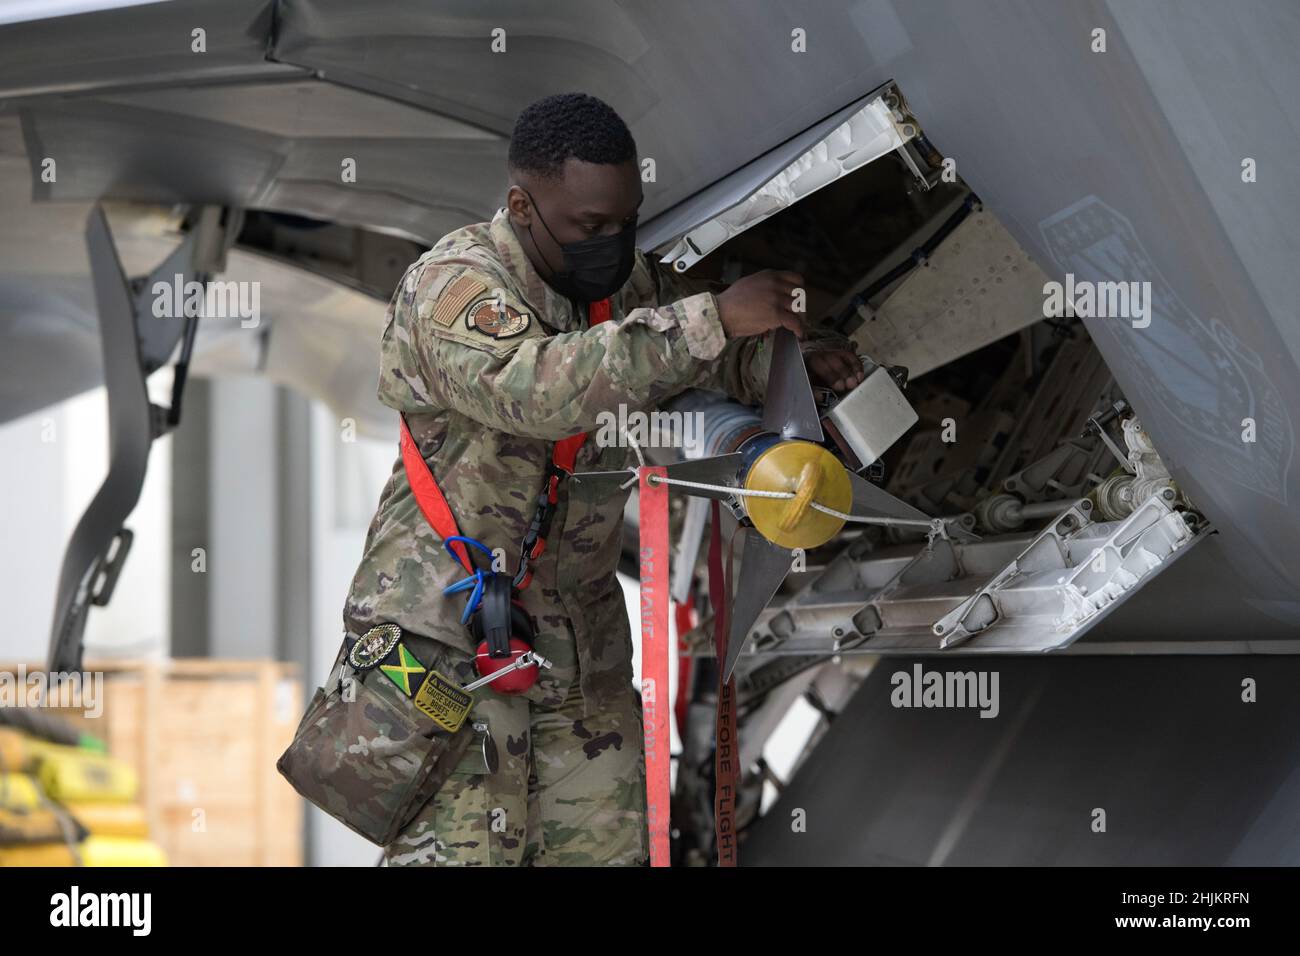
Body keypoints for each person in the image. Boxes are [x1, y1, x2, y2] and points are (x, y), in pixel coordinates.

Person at [342, 92, 864, 866]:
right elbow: (537, 389)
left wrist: (783, 361)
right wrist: (713, 317)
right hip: (447, 641)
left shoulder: (623, 292)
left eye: (627, 220)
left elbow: (695, 360)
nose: (616, 242)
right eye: (592, 226)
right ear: (523, 204)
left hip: (578, 645)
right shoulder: (454, 287)